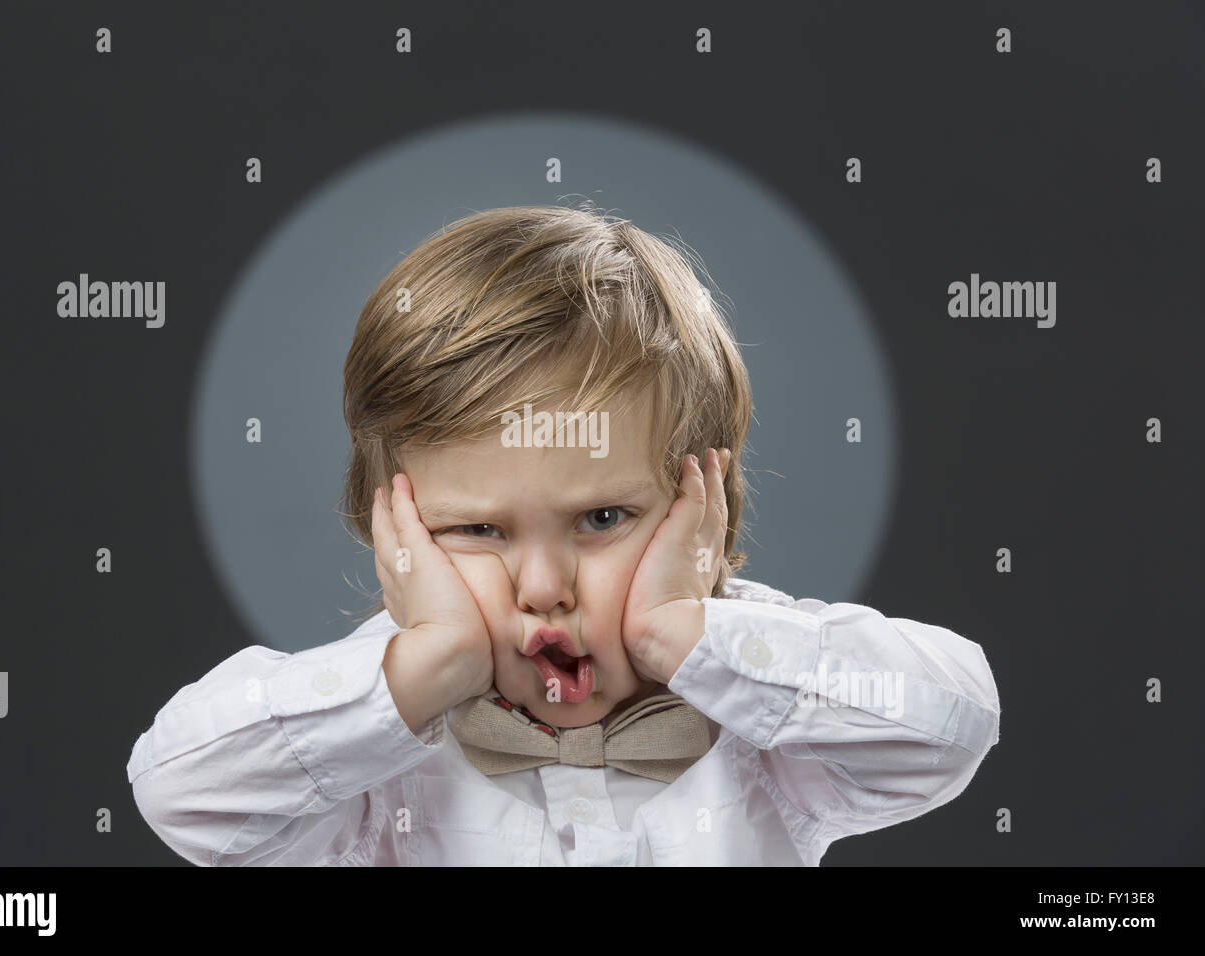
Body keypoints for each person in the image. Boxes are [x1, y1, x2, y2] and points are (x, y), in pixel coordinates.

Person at [127, 203, 1001, 865]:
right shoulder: (375, 744)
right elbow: (182, 793)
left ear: (704, 507)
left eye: (603, 519)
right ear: (391, 531)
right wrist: (422, 667)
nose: (542, 584)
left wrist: (688, 636)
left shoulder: (756, 715)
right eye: (477, 529)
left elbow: (950, 723)